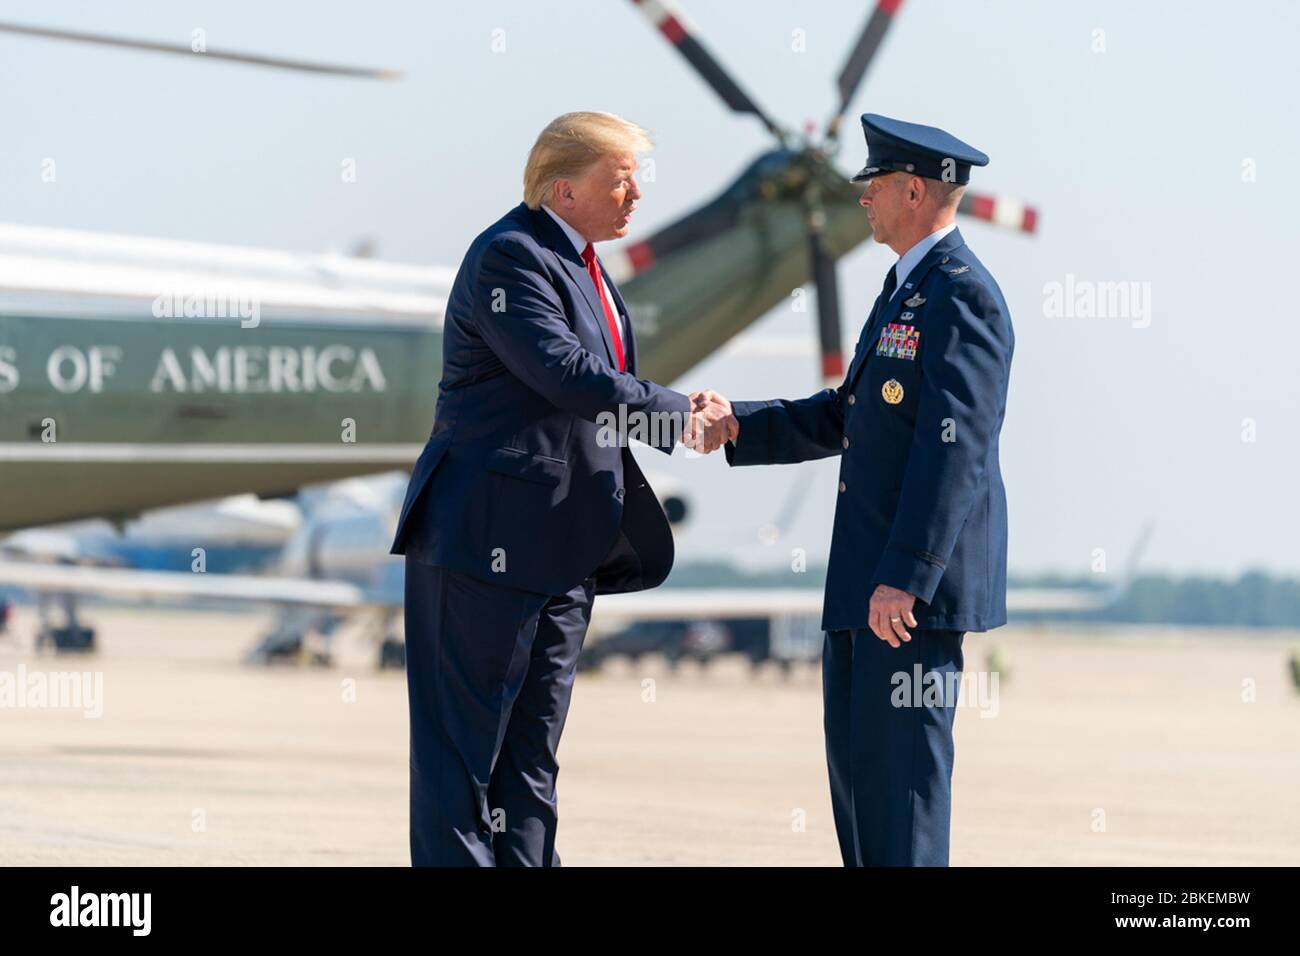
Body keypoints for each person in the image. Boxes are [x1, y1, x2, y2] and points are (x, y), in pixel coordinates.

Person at [389, 111, 734, 866]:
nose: (636, 194)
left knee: (530, 771)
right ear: (563, 188)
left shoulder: (582, 264)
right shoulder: (511, 257)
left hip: (562, 556)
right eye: (620, 179)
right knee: (461, 769)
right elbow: (568, 377)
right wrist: (680, 414)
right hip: (486, 544)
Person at [696, 113, 1014, 866]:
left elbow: (956, 452)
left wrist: (905, 576)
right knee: (864, 805)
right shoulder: (905, 290)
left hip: (904, 603)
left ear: (911, 190)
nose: (861, 199)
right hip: (865, 593)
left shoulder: (962, 296)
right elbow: (850, 416)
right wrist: (739, 423)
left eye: (872, 185)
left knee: (900, 807)